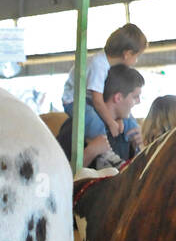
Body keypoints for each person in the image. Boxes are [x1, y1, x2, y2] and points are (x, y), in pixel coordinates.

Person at [62, 23, 147, 152]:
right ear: (127, 54)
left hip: (89, 98)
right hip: (74, 100)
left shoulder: (110, 65)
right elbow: (97, 100)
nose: (136, 61)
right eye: (136, 57)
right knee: (92, 119)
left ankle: (137, 144)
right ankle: (104, 153)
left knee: (128, 117)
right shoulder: (99, 64)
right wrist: (111, 122)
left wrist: (119, 118)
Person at [56, 63, 144, 168]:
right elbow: (57, 177)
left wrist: (138, 148)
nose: (139, 102)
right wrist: (90, 152)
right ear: (118, 97)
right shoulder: (75, 128)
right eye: (135, 97)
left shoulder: (126, 131)